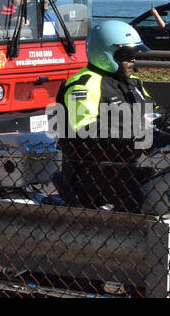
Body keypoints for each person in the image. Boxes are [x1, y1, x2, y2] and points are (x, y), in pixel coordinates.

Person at [54, 20, 154, 212]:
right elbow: (87, 132)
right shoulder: (82, 85)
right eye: (126, 55)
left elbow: (156, 113)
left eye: (133, 55)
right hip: (90, 173)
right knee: (136, 199)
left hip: (125, 167)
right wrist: (135, 137)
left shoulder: (133, 83)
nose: (133, 61)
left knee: (163, 183)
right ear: (105, 55)